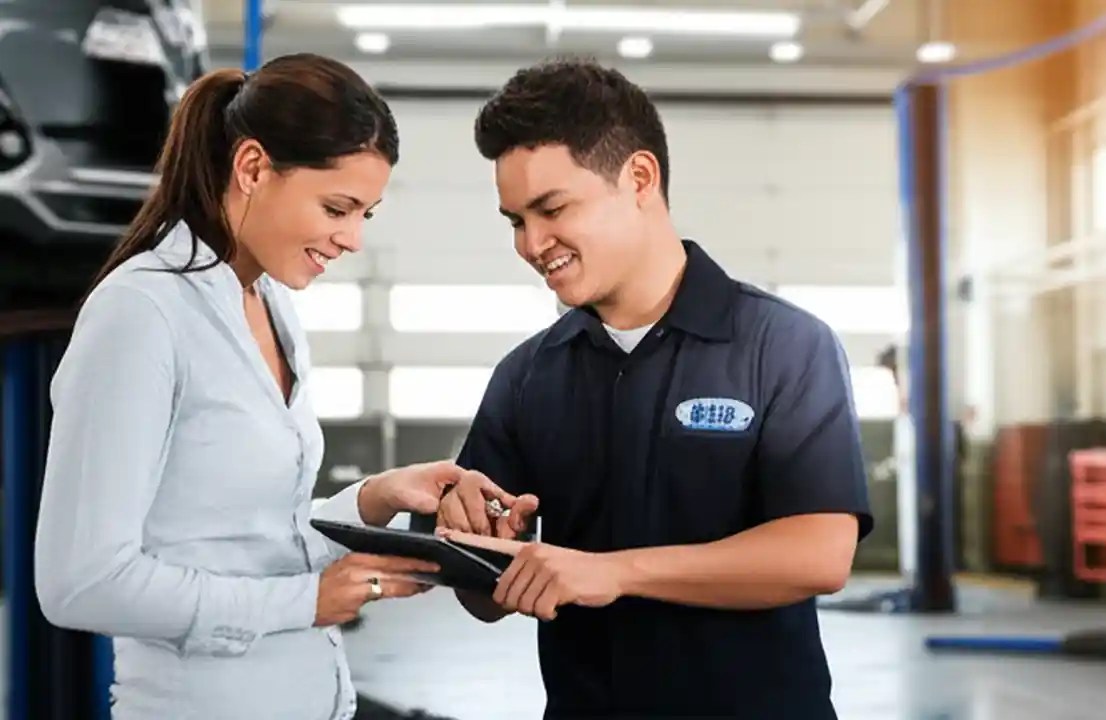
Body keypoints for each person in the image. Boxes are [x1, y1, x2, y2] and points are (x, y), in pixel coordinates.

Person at [32, 54, 491, 720]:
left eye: (366, 213)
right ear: (252, 168)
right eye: (338, 207)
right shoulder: (141, 315)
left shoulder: (270, 304)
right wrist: (304, 601)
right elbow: (80, 583)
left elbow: (259, 539)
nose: (353, 239)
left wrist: (374, 499)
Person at [423, 58, 875, 719]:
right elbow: (485, 600)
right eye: (516, 220)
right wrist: (475, 542)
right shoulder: (527, 375)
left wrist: (613, 571)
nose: (531, 244)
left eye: (552, 209)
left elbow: (819, 553)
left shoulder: (782, 346)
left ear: (639, 178)